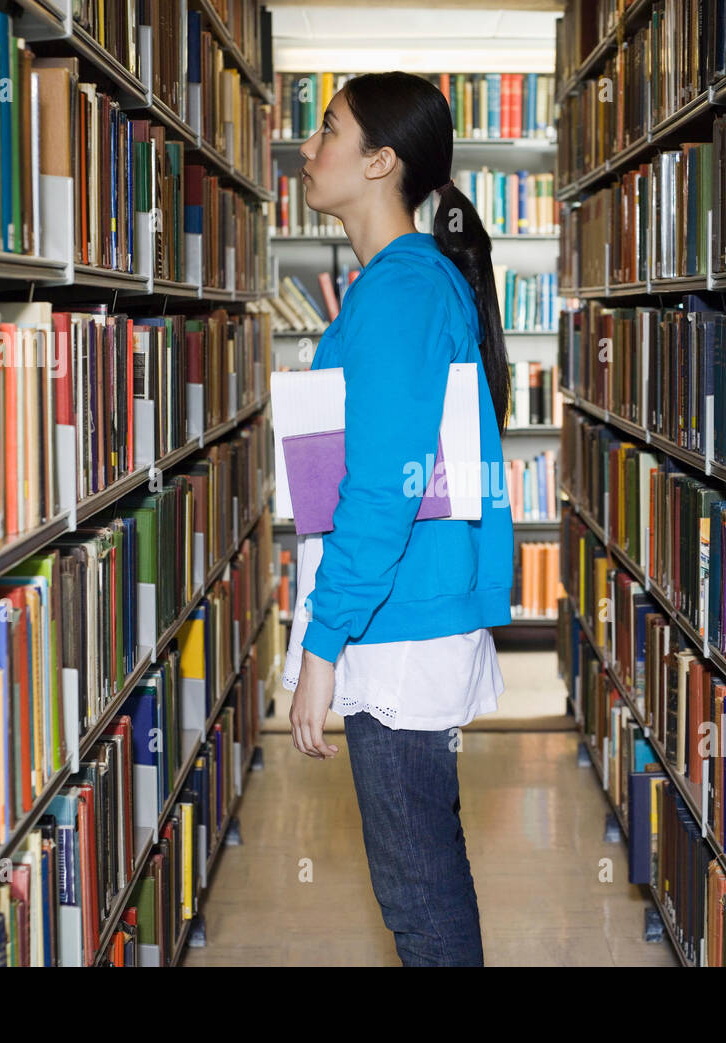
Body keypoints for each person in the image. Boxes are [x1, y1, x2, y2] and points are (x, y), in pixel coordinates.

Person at [281, 71, 514, 967]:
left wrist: (320, 645)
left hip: (395, 626)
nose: (308, 148)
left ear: (380, 162)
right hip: (403, 614)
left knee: (419, 897)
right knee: (421, 882)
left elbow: (380, 489)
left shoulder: (399, 293)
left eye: (327, 130)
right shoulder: (404, 285)